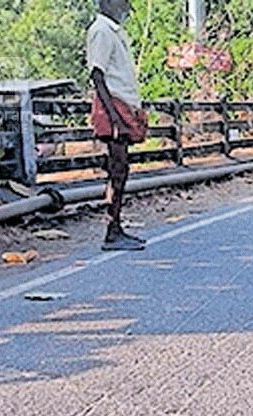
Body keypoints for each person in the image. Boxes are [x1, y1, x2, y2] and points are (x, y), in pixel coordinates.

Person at [87, 0, 147, 251]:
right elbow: (97, 74)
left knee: (121, 168)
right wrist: (114, 117)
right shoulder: (101, 30)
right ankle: (112, 228)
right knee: (118, 169)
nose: (127, 6)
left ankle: (116, 226)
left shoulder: (114, 32)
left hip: (121, 103)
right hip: (113, 104)